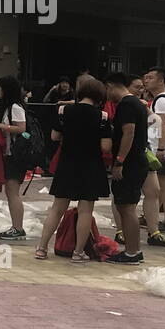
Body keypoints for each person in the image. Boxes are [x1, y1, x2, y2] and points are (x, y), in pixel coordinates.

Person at [34, 77, 111, 261]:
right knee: (85, 211)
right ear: (99, 95)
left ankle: (42, 248)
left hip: (67, 164)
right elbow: (106, 147)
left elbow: (54, 136)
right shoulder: (102, 117)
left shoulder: (63, 110)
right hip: (91, 166)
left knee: (57, 208)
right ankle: (77, 252)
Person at [105, 73, 149, 263]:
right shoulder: (136, 103)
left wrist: (120, 161)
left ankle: (132, 252)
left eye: (107, 90)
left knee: (128, 207)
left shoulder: (127, 105)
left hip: (130, 164)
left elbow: (128, 133)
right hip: (136, 161)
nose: (107, 95)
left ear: (111, 85)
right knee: (125, 206)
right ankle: (133, 250)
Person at [0, 76, 29, 239]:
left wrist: (1, 126)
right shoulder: (9, 107)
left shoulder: (16, 107)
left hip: (15, 156)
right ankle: (16, 227)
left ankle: (18, 228)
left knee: (13, 192)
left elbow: (22, 129)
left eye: (0, 87)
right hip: (9, 155)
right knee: (11, 192)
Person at [144, 67, 165, 243]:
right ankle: (155, 218)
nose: (146, 81)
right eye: (146, 78)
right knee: (161, 186)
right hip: (164, 147)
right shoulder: (160, 99)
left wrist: (161, 148)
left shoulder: (162, 100)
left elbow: (163, 125)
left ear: (161, 81)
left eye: (151, 78)